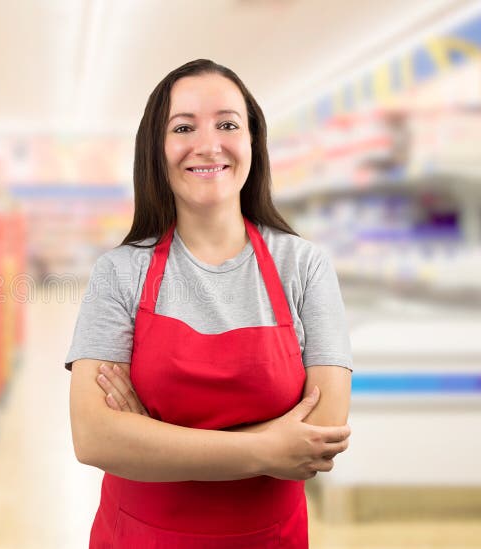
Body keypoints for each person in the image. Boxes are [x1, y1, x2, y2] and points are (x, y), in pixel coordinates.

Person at [66, 59, 353, 548]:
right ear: (156, 150)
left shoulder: (304, 267)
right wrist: (267, 448)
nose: (208, 144)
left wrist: (151, 437)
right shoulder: (119, 273)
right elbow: (94, 437)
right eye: (183, 127)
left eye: (227, 124)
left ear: (252, 142)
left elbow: (320, 435)